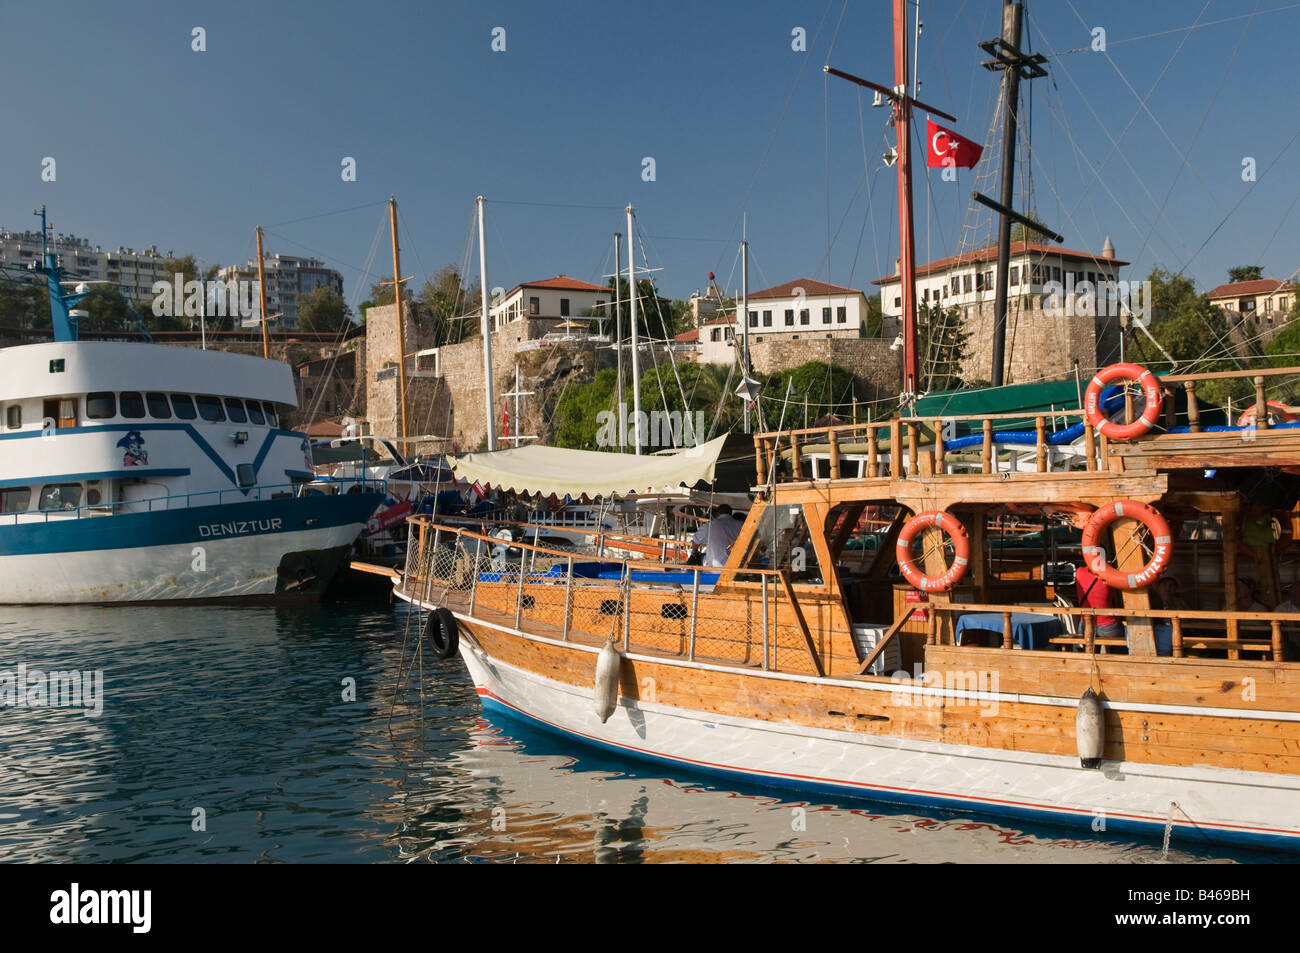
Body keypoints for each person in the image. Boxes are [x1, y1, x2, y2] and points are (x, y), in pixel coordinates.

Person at [1075, 563, 1122, 641]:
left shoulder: (1079, 572)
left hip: (1085, 625)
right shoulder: (1110, 573)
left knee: (1081, 649)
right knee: (1120, 649)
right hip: (1109, 626)